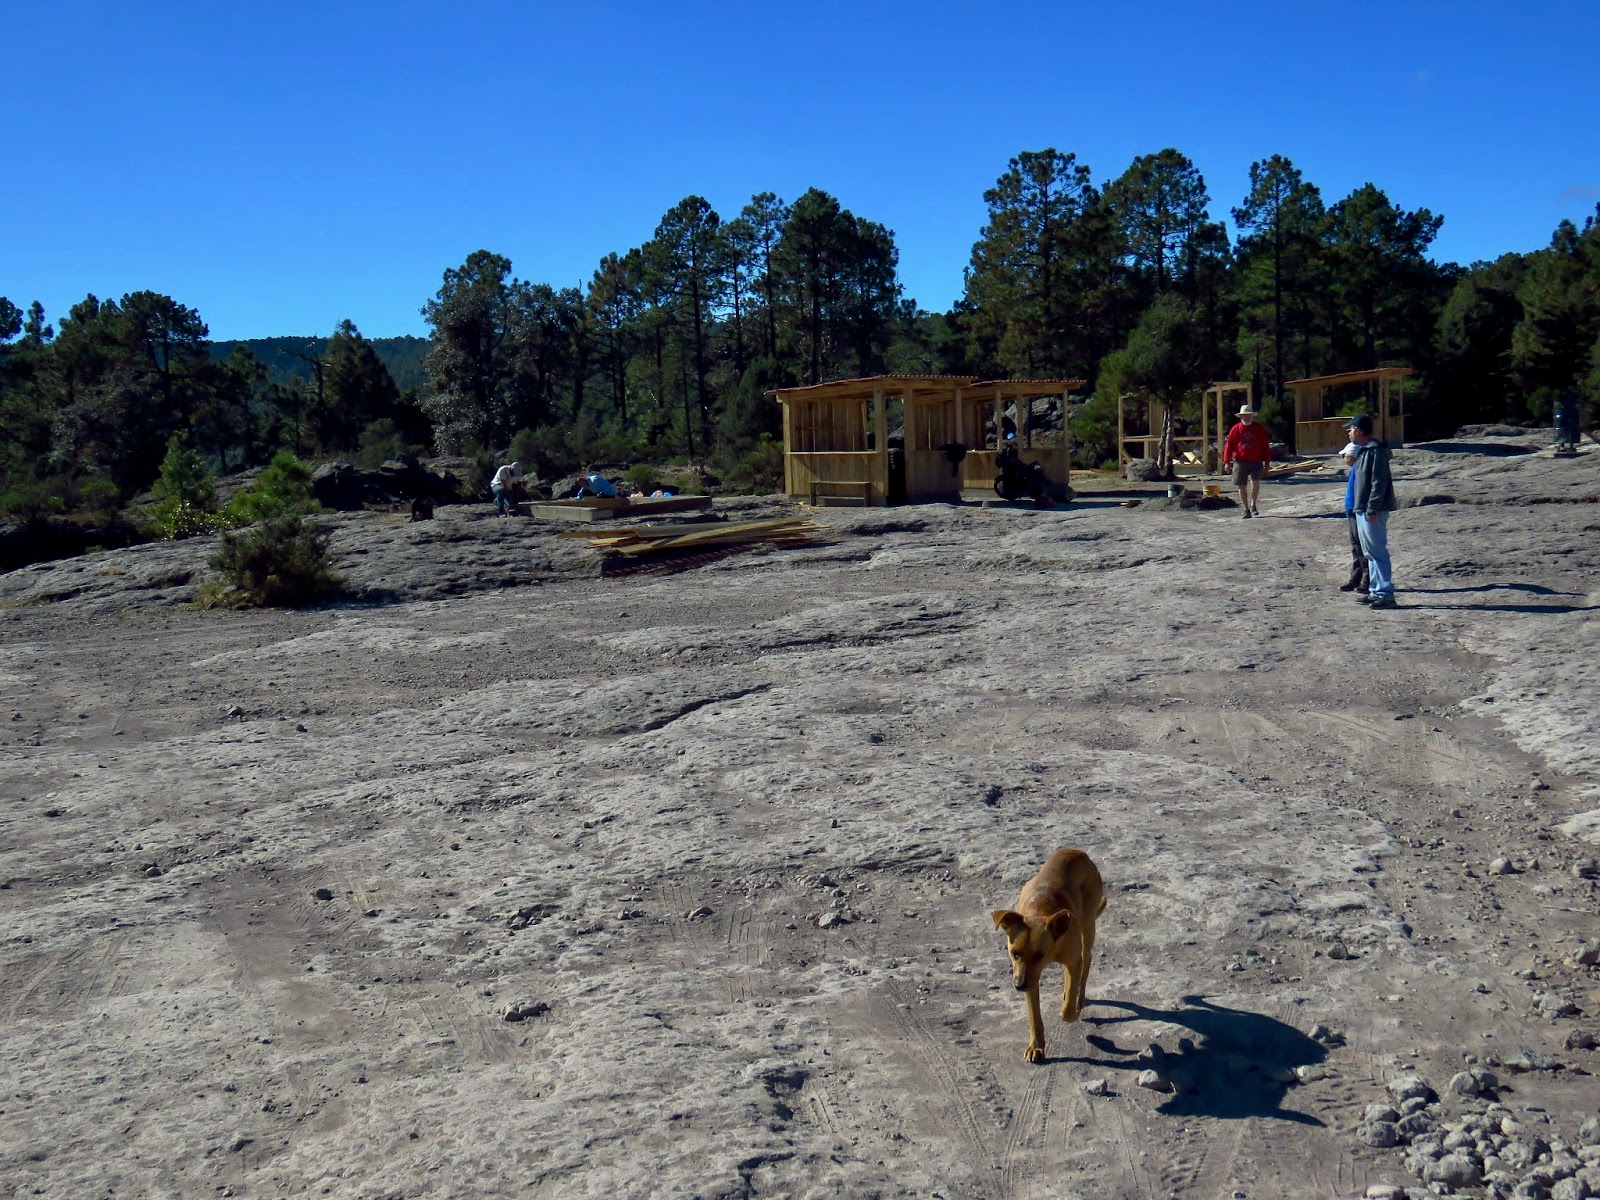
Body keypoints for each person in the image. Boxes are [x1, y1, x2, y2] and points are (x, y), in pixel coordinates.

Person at [1346, 413, 1398, 609]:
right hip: (1363, 508)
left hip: (1371, 509)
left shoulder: (1375, 451)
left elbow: (1379, 482)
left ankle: (1385, 593)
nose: (1348, 432)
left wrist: (1372, 508)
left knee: (1377, 552)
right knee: (1369, 552)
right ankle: (1376, 591)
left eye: (1350, 429)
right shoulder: (1366, 450)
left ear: (1358, 431)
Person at [1222, 404, 1271, 518]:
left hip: (1256, 460)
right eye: (1244, 415)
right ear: (1240, 417)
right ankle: (1246, 509)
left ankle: (1253, 505)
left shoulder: (1259, 428)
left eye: (1249, 415)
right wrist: (1226, 462)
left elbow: (1265, 446)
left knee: (1255, 482)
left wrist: (1267, 462)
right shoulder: (1235, 429)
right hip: (1240, 461)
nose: (1247, 417)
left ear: (1252, 416)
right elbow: (1228, 446)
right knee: (1241, 485)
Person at [1337, 440, 1370, 595]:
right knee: (1355, 546)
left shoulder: (1359, 469)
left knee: (1361, 546)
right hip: (1351, 510)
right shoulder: (1355, 469)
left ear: (1351, 456)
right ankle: (1356, 578)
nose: (1344, 458)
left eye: (1345, 455)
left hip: (1357, 510)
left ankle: (1366, 580)